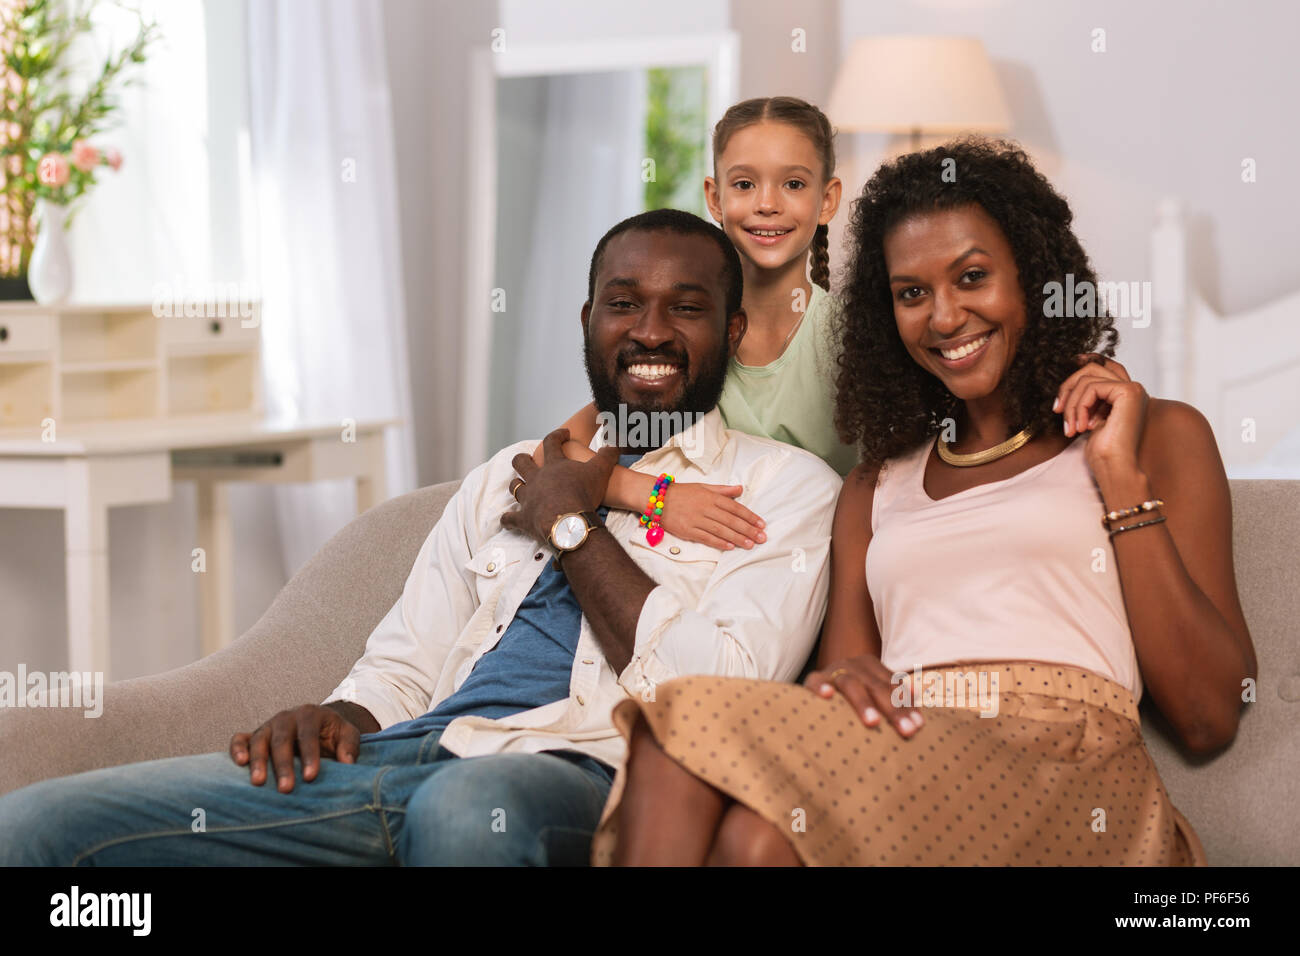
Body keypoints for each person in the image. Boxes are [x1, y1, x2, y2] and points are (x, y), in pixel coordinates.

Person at [0, 209, 841, 867]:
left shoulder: (787, 491)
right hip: (394, 761)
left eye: (687, 309)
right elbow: (404, 663)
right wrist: (338, 713)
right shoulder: (507, 471)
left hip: (572, 772)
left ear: (732, 332)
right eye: (625, 304)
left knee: (467, 810)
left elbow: (713, 700)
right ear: (589, 318)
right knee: (40, 827)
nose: (651, 332)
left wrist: (572, 523)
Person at [590, 139, 1257, 866]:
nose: (943, 318)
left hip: (1068, 773)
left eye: (972, 277)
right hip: (907, 754)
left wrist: (1118, 476)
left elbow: (1207, 715)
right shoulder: (873, 485)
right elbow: (845, 681)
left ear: (1034, 277)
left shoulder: (1158, 435)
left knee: (700, 734)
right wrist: (840, 680)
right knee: (740, 817)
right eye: (912, 293)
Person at [537, 97, 856, 558]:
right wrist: (658, 500)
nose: (767, 204)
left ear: (827, 200)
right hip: (700, 565)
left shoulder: (854, 337)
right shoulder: (685, 339)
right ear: (715, 198)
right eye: (745, 183)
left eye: (792, 183)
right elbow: (554, 454)